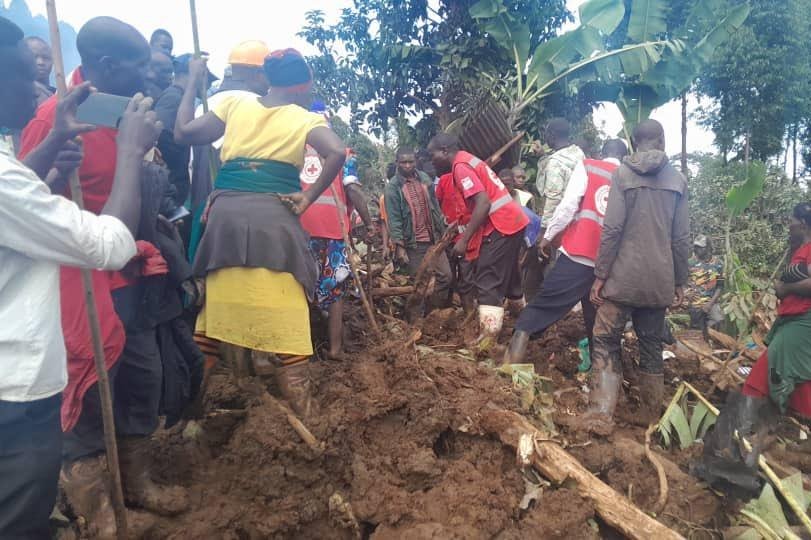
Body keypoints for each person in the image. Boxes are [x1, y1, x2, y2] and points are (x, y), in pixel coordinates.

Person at [19, 16, 190, 534]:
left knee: (142, 377)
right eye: (141, 66)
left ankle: (136, 482)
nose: (151, 76)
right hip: (80, 281)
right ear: (108, 65)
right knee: (92, 390)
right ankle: (99, 511)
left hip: (132, 269)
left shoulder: (129, 114)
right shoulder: (55, 118)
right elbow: (25, 201)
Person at [175, 49, 346, 416]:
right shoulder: (305, 118)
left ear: (267, 79)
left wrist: (192, 81)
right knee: (288, 320)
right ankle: (307, 416)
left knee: (213, 319)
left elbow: (183, 132)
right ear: (303, 86)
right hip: (274, 223)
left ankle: (190, 420)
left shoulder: (234, 103)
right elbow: (336, 151)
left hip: (225, 222)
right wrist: (307, 197)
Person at [577, 120, 689, 435]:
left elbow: (612, 229)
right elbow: (681, 238)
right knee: (651, 343)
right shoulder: (678, 180)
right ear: (662, 140)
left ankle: (601, 411)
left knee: (605, 337)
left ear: (634, 142)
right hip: (659, 280)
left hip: (622, 279)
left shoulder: (622, 175)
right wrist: (680, 280)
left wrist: (600, 275)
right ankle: (651, 414)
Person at [696, 203, 811, 489]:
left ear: (803, 223)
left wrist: (786, 288)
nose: (788, 226)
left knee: (760, 378)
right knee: (800, 382)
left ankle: (727, 457)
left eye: (792, 221)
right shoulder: (799, 249)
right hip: (794, 320)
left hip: (803, 322)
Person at [503, 139, 629, 365]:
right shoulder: (630, 178)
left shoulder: (589, 166)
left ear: (602, 153)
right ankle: (601, 375)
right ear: (624, 157)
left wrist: (548, 236)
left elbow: (568, 205)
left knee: (544, 303)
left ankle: (510, 362)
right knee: (596, 319)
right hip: (611, 264)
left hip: (579, 254)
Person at [428, 133, 529, 345]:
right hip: (513, 222)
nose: (432, 160)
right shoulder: (467, 159)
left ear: (445, 151)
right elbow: (474, 206)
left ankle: (488, 339)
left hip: (501, 225)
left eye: (433, 155)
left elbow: (483, 203)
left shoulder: (460, 166)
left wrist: (464, 240)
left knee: (487, 278)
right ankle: (525, 323)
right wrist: (458, 226)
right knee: (511, 276)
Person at [300, 103, 374, 358]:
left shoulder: (292, 152)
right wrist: (370, 224)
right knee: (335, 290)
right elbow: (352, 189)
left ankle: (299, 350)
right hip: (333, 232)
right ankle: (335, 348)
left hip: (299, 231)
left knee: (299, 287)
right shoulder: (345, 155)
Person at [187, 40, 271, 260]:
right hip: (241, 210)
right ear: (258, 74)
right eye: (268, 76)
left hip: (202, 203)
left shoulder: (206, 105)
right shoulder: (256, 104)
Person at [385, 147, 452, 313]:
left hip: (433, 238)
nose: (407, 165)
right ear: (397, 163)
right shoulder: (392, 187)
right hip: (413, 243)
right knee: (419, 283)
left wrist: (442, 226)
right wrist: (399, 246)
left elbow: (435, 205)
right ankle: (415, 319)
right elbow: (394, 219)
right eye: (403, 162)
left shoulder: (424, 178)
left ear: (416, 161)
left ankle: (432, 313)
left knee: (445, 276)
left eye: (410, 162)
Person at [154, 53, 218, 209]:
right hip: (171, 183)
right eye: (206, 78)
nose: (207, 84)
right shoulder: (174, 98)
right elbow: (161, 137)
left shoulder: (180, 97)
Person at [536, 118, 586, 227]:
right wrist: (543, 156)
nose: (545, 138)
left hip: (562, 222)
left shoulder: (555, 163)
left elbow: (553, 199)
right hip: (579, 217)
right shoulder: (579, 154)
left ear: (552, 135)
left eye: (546, 134)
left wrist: (544, 228)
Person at [687, 234, 725, 330]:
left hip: (712, 302)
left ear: (708, 248)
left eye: (700, 247)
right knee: (696, 332)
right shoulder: (690, 263)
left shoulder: (718, 264)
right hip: (695, 303)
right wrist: (687, 293)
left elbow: (720, 286)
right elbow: (682, 282)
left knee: (718, 321)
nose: (696, 249)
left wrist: (710, 304)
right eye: (695, 247)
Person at [23, 36, 55, 104]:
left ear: (53, 61)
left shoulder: (59, 94)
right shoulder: (17, 93)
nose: (41, 62)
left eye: (46, 57)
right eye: (34, 57)